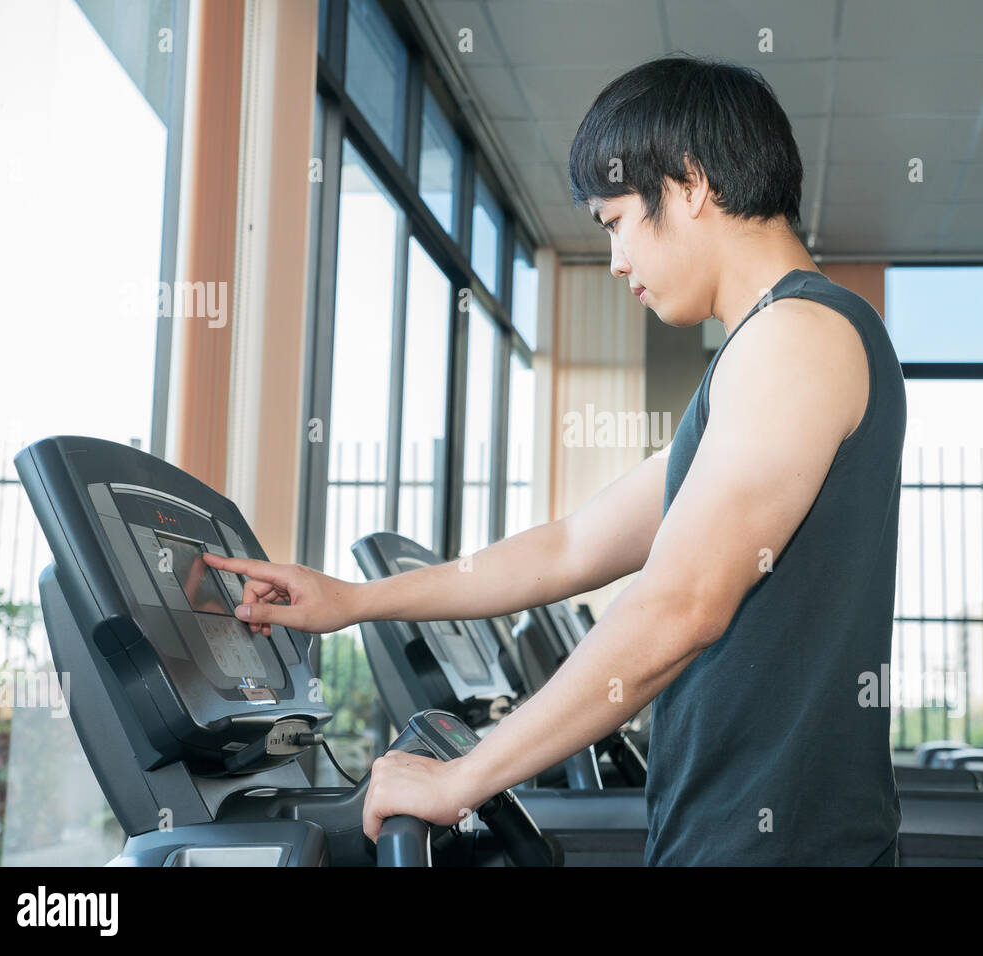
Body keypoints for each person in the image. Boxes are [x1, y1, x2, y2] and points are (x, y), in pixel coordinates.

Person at [203, 52, 906, 866]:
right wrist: (356, 601)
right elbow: (574, 545)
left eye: (614, 222)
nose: (615, 263)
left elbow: (682, 606)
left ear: (688, 185)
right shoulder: (775, 351)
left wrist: (460, 779)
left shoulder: (797, 338)